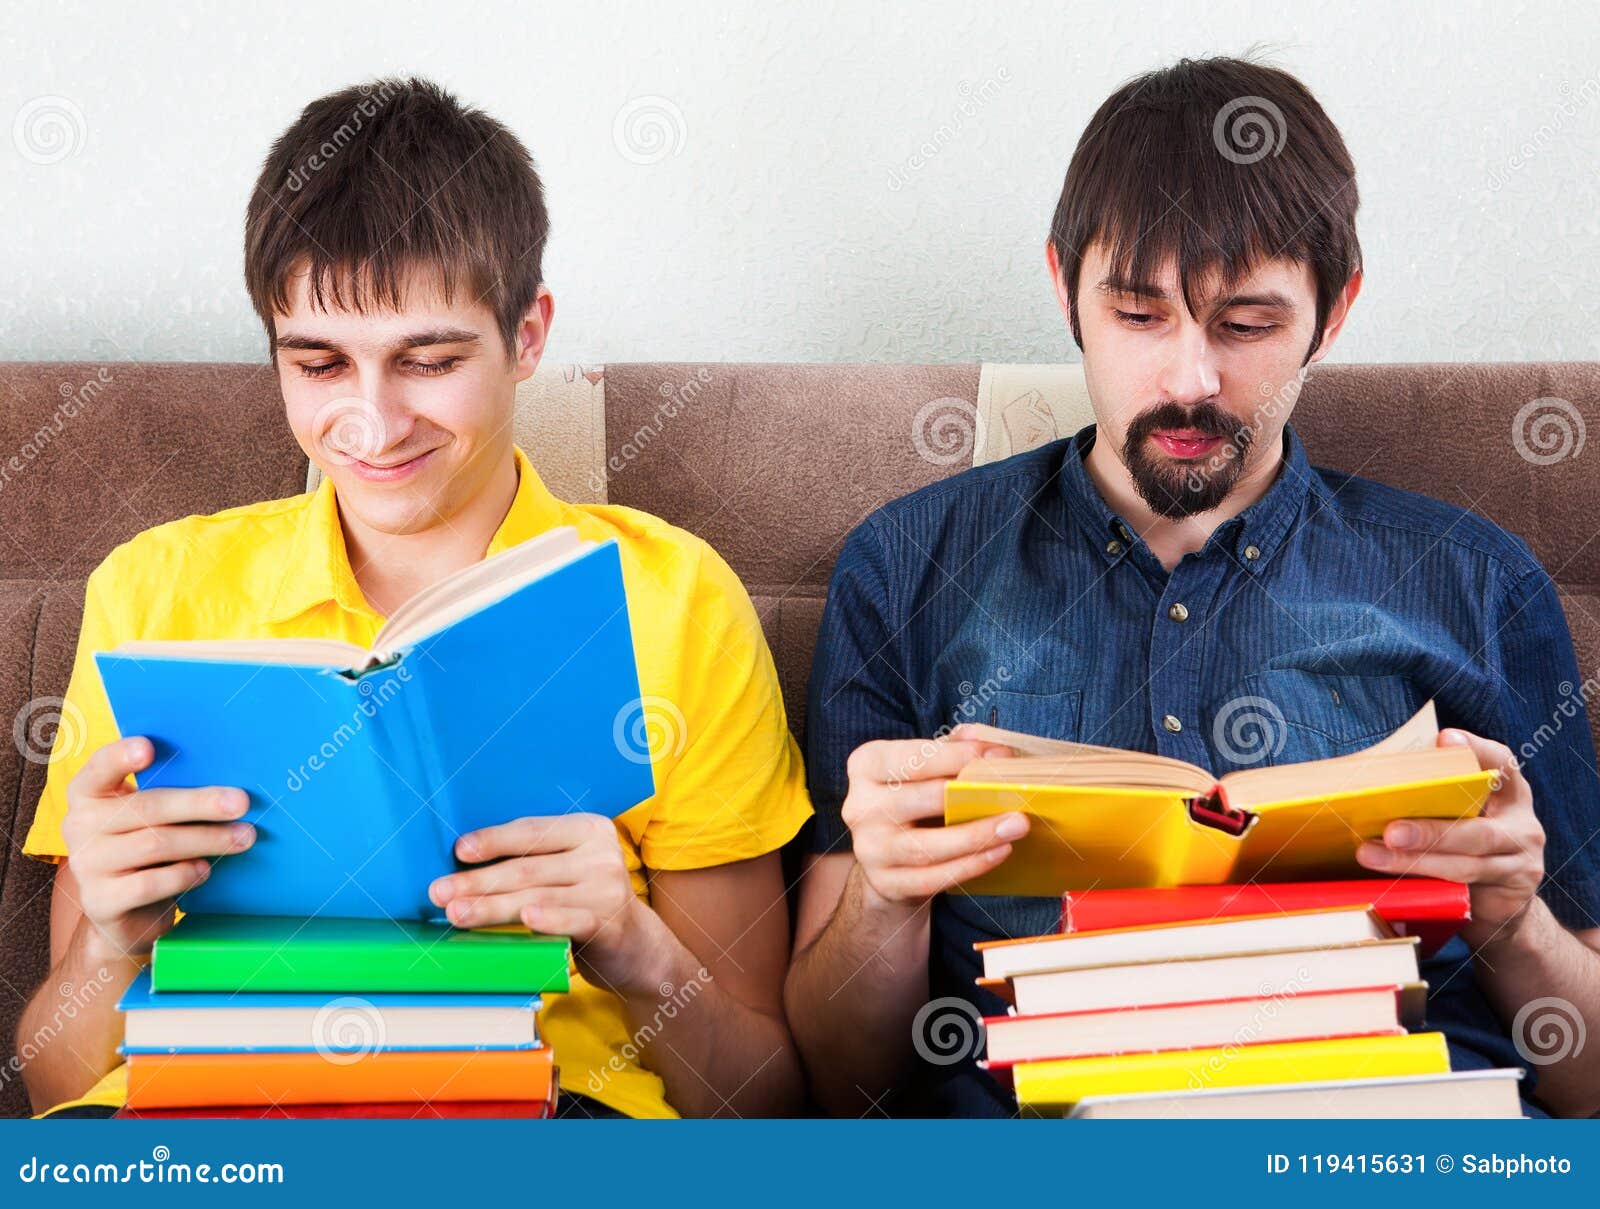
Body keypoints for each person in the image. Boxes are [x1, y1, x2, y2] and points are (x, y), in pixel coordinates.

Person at [786, 55, 1600, 1118]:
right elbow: (842, 1081)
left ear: (1334, 310)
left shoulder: (1473, 581)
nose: (1188, 381)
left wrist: (1511, 917)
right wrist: (886, 899)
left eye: (1245, 326)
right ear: (1061, 287)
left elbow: (1587, 1089)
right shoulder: (906, 567)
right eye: (1137, 315)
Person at [20, 77, 811, 1120]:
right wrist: (113, 940)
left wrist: (632, 944)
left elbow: (766, 1107)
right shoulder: (155, 588)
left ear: (527, 338)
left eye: (427, 361)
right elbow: (46, 1081)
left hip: (537, 1118)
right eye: (318, 364)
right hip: (194, 1123)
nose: (374, 424)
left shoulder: (671, 599)